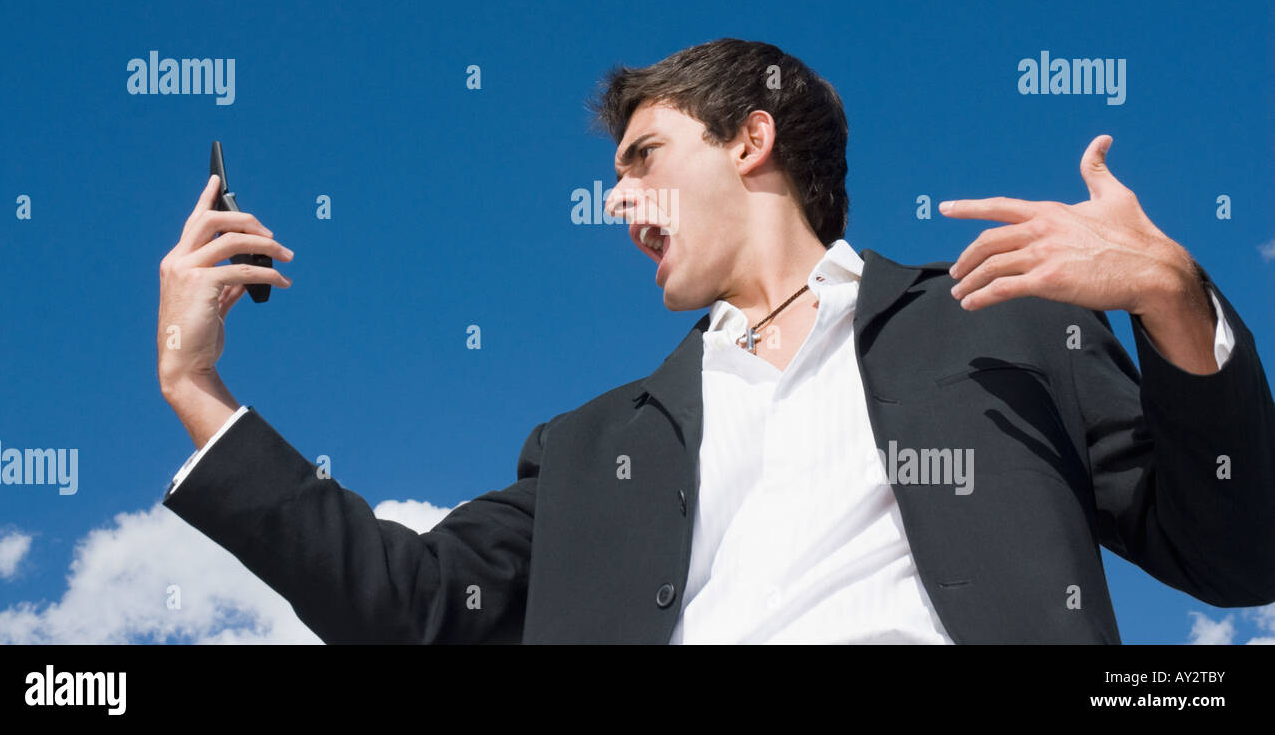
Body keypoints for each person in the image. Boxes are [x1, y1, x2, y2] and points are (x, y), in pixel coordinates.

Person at [157, 37, 1275, 643]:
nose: (616, 200)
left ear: (751, 139)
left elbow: (1233, 555)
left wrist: (1176, 302)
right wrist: (198, 388)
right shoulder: (591, 447)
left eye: (641, 157)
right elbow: (409, 606)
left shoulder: (1008, 323)